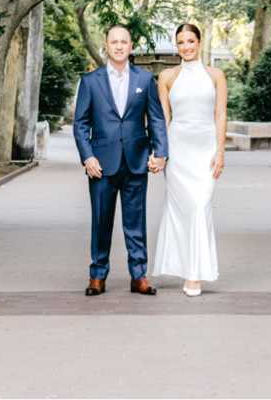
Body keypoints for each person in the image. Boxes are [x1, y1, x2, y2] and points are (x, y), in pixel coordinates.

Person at [73, 24, 168, 296]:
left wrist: (159, 153)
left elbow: (157, 119)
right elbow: (80, 124)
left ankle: (139, 276)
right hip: (101, 166)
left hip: (136, 162)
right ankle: (98, 276)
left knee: (135, 223)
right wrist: (87, 157)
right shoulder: (90, 81)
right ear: (106, 45)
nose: (118, 46)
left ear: (130, 45)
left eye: (123, 42)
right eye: (113, 42)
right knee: (101, 222)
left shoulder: (144, 79)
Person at [151, 23, 227, 297]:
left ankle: (195, 273)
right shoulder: (167, 77)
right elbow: (163, 118)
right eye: (181, 42)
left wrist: (220, 152)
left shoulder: (216, 75)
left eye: (191, 41)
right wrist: (159, 153)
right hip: (178, 152)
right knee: (182, 212)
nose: (186, 47)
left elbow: (220, 115)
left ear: (199, 41)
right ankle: (190, 274)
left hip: (206, 152)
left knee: (199, 207)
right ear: (176, 45)